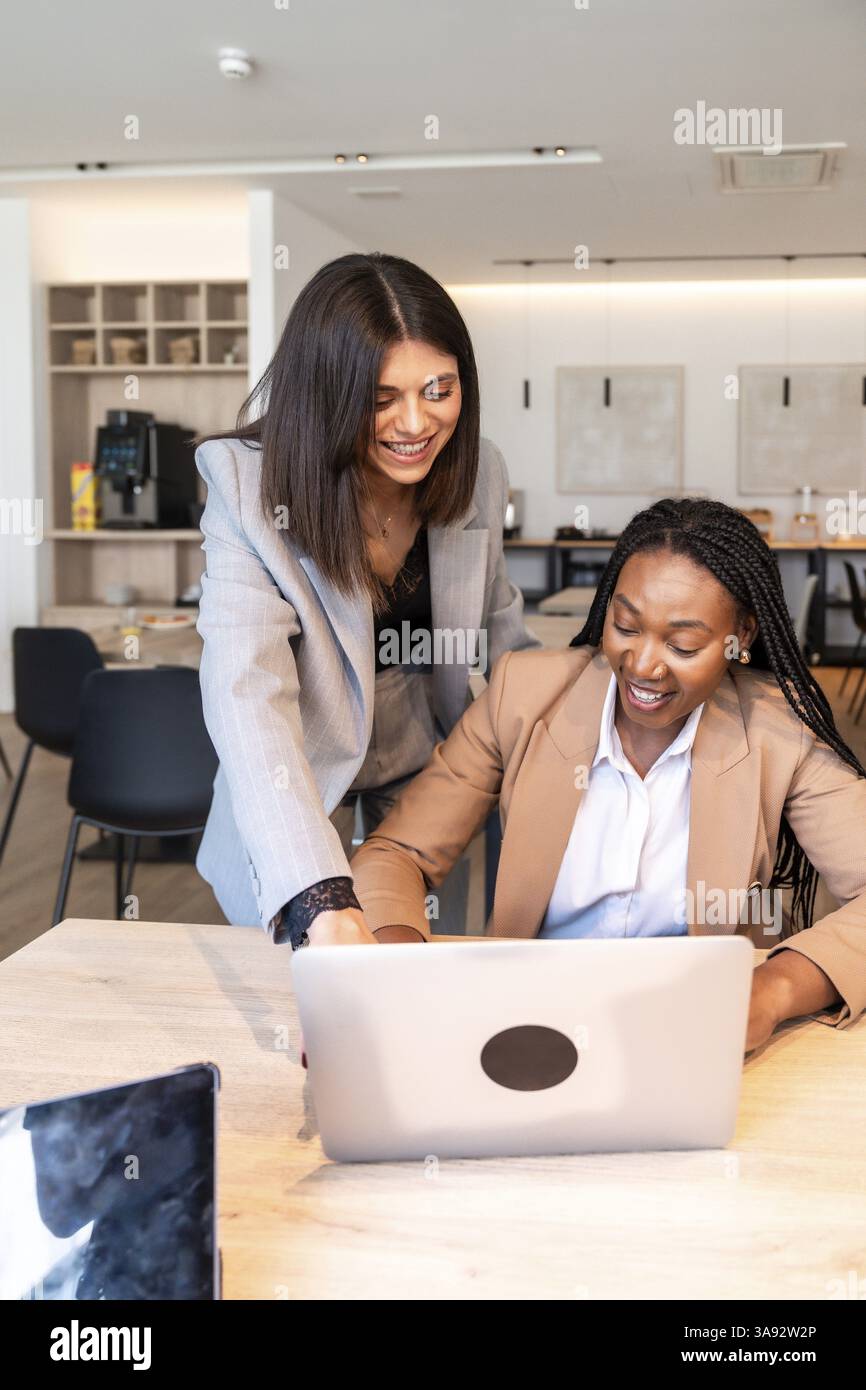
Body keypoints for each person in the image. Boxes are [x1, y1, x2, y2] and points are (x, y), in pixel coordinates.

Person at [344, 498, 866, 1053]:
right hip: (534, 1023)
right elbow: (397, 852)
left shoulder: (780, 732)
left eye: (683, 645)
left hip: (692, 1036)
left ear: (741, 635)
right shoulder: (524, 697)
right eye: (626, 626)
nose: (643, 665)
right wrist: (395, 969)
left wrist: (768, 992)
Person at [194, 252, 540, 946]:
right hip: (299, 768)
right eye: (381, 398)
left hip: (423, 762)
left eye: (438, 389)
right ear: (324, 393)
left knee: (420, 961)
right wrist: (319, 893)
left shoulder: (477, 474)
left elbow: (503, 640)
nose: (416, 423)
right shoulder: (245, 486)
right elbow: (246, 692)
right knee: (314, 973)